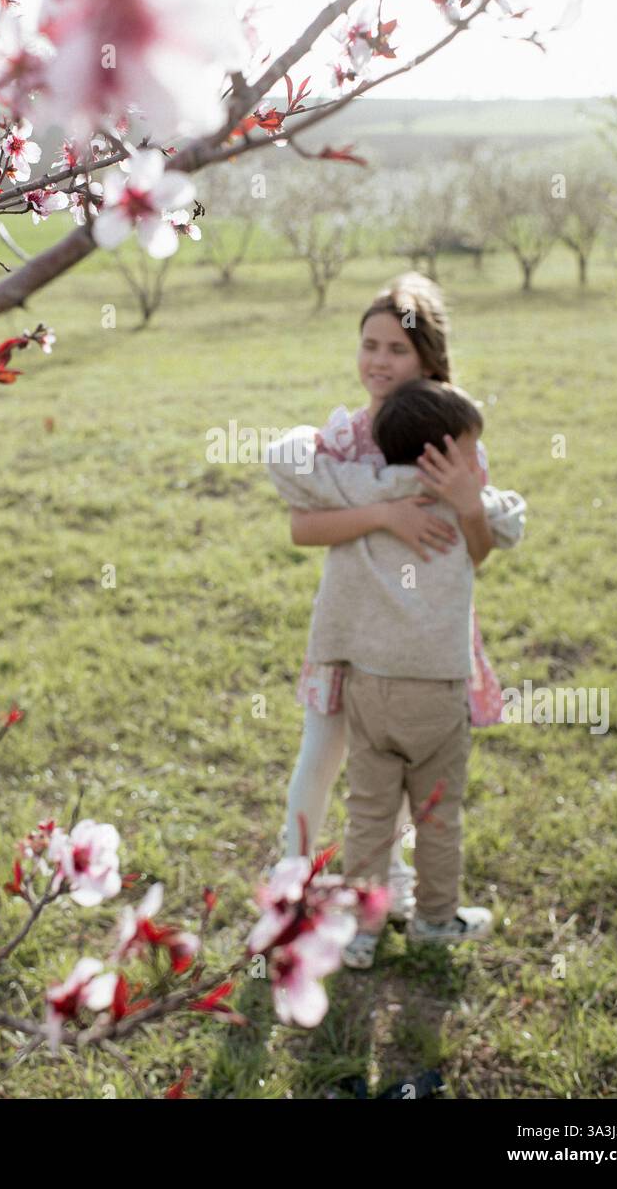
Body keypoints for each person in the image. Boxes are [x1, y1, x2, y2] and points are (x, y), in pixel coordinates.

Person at [266, 378, 526, 967]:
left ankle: (360, 931)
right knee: (435, 815)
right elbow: (512, 524)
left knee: (369, 813)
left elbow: (287, 465)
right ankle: (434, 919)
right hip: (436, 688)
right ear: (440, 455)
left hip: (368, 686)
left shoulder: (363, 485)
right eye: (467, 449)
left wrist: (313, 439)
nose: (474, 461)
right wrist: (471, 495)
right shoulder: (465, 504)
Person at [283, 274, 506, 923]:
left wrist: (468, 505)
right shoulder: (346, 440)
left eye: (396, 350)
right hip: (351, 637)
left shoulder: (459, 445)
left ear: (430, 360)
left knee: (399, 787)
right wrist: (385, 515)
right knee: (319, 764)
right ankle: (288, 887)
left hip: (424, 645)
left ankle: (395, 893)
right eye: (369, 345)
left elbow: (480, 548)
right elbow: (301, 528)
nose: (378, 361)